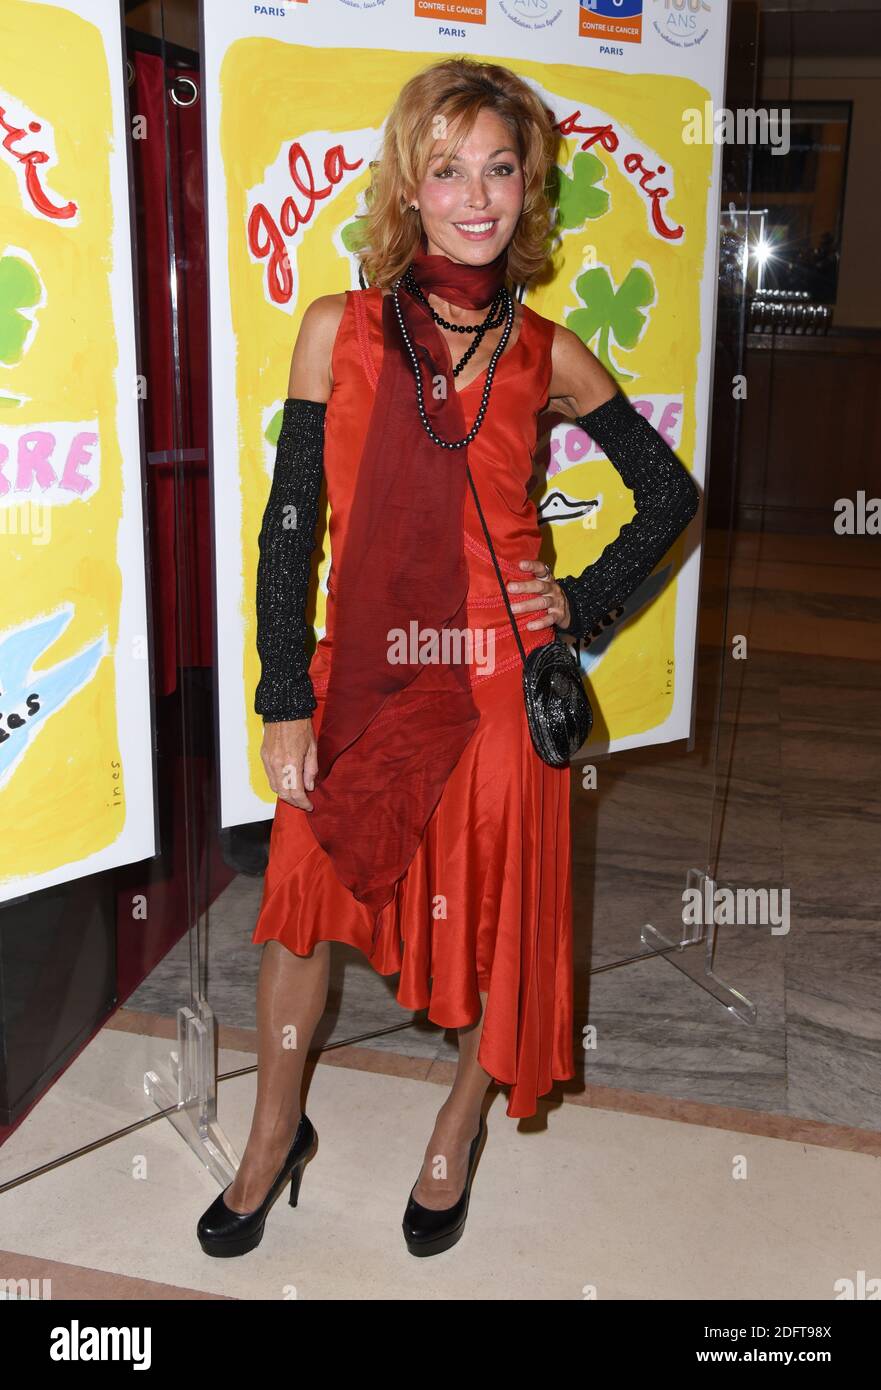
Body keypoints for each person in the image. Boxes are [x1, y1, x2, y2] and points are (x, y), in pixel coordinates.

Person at [197, 56, 700, 1260]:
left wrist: (577, 603)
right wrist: (280, 695)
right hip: (368, 674)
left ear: (527, 192)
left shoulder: (548, 354)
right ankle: (273, 1137)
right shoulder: (340, 330)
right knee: (300, 912)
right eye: (447, 168)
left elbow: (668, 490)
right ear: (409, 187)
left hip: (496, 684)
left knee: (498, 926)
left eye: (500, 168)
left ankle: (455, 1129)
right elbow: (289, 526)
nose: (475, 194)